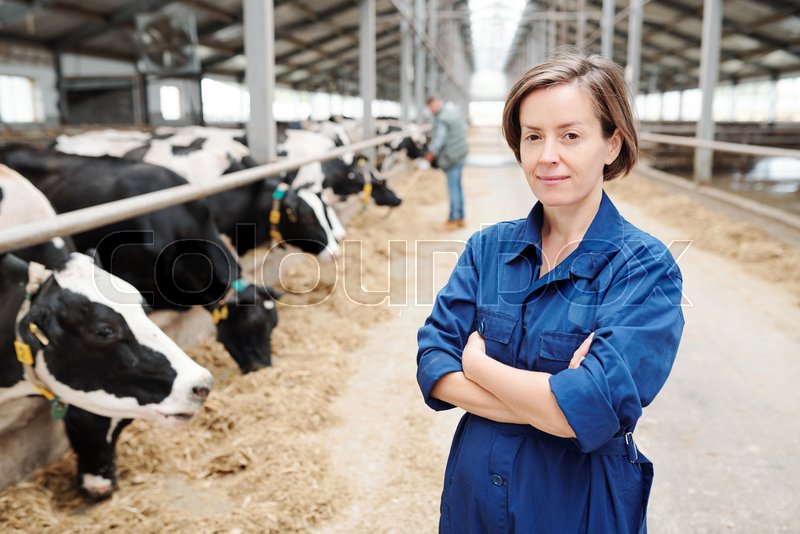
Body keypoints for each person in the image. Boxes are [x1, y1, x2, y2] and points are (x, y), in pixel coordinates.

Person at [416, 51, 685, 533]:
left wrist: (478, 367)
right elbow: (433, 363)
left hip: (575, 505)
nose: (547, 156)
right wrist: (549, 401)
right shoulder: (488, 248)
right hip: (474, 498)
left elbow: (589, 409)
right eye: (532, 136)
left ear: (611, 144)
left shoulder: (644, 267)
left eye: (571, 136)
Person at [424, 96, 469, 230]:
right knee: (458, 187)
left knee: (453, 188)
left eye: (431, 107)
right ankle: (461, 217)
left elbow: (439, 140)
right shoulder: (452, 112)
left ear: (436, 103)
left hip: (452, 156)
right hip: (460, 154)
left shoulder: (442, 118)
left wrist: (430, 155)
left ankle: (453, 218)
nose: (431, 110)